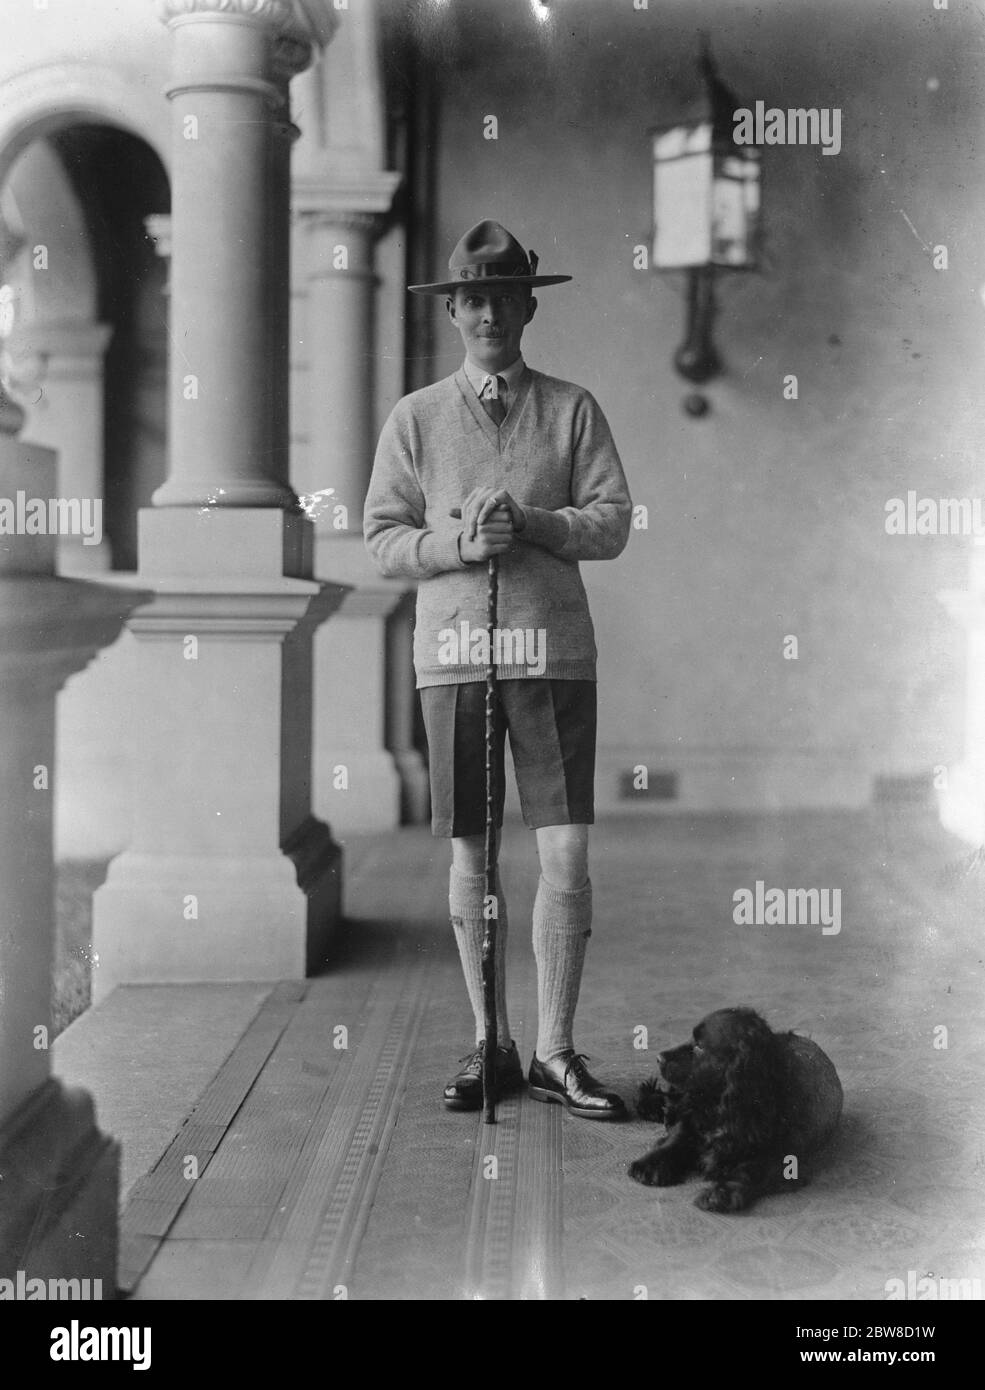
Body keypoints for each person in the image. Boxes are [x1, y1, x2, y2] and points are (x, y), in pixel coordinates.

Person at [364, 219, 632, 1119]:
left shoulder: (571, 408)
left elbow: (613, 521)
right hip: (454, 659)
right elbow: (381, 540)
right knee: (472, 853)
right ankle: (492, 1043)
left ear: (526, 306)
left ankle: (555, 1050)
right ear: (451, 312)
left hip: (550, 654)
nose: (486, 312)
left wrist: (541, 524)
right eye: (469, 298)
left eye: (501, 296)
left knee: (565, 849)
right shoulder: (415, 418)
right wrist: (453, 542)